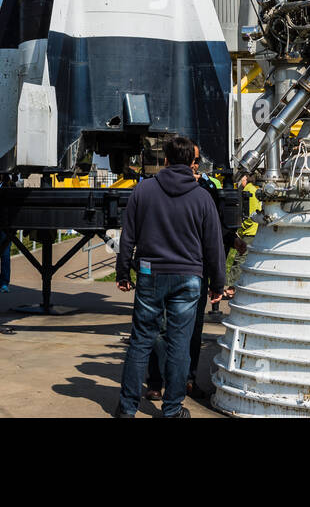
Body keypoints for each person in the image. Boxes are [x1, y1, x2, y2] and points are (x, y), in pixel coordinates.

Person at [114, 136, 225, 418]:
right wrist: (217, 284)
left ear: (165, 160)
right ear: (192, 163)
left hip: (150, 273)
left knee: (141, 340)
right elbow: (214, 245)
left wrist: (123, 271)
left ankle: (127, 409)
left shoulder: (144, 191)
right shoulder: (202, 197)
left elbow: (129, 236)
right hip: (189, 277)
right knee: (179, 344)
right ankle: (172, 410)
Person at [144, 147, 225, 400]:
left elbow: (214, 231)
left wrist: (218, 276)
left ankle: (187, 379)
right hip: (171, 269)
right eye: (194, 159)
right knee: (160, 329)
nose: (196, 164)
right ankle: (156, 382)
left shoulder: (208, 189)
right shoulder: (154, 186)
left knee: (193, 331)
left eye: (198, 160)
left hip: (195, 271)